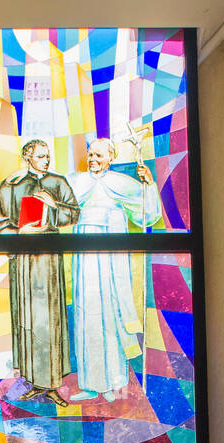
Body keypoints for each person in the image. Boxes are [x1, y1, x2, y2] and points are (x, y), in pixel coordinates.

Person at [68, 138, 162, 401]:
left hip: (111, 259)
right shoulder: (76, 182)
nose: (93, 159)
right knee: (86, 315)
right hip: (83, 257)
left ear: (111, 157)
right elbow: (60, 208)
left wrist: (148, 185)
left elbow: (146, 215)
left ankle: (113, 383)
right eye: (90, 154)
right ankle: (89, 383)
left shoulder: (121, 183)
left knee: (110, 314)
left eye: (99, 155)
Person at [0, 139, 80, 407]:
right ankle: (32, 380)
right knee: (28, 320)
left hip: (49, 262)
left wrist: (53, 206)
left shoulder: (58, 182)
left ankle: (52, 384)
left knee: (50, 321)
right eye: (41, 156)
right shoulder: (11, 185)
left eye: (48, 155)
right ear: (27, 157)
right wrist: (19, 233)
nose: (46, 160)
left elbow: (74, 214)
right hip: (24, 261)